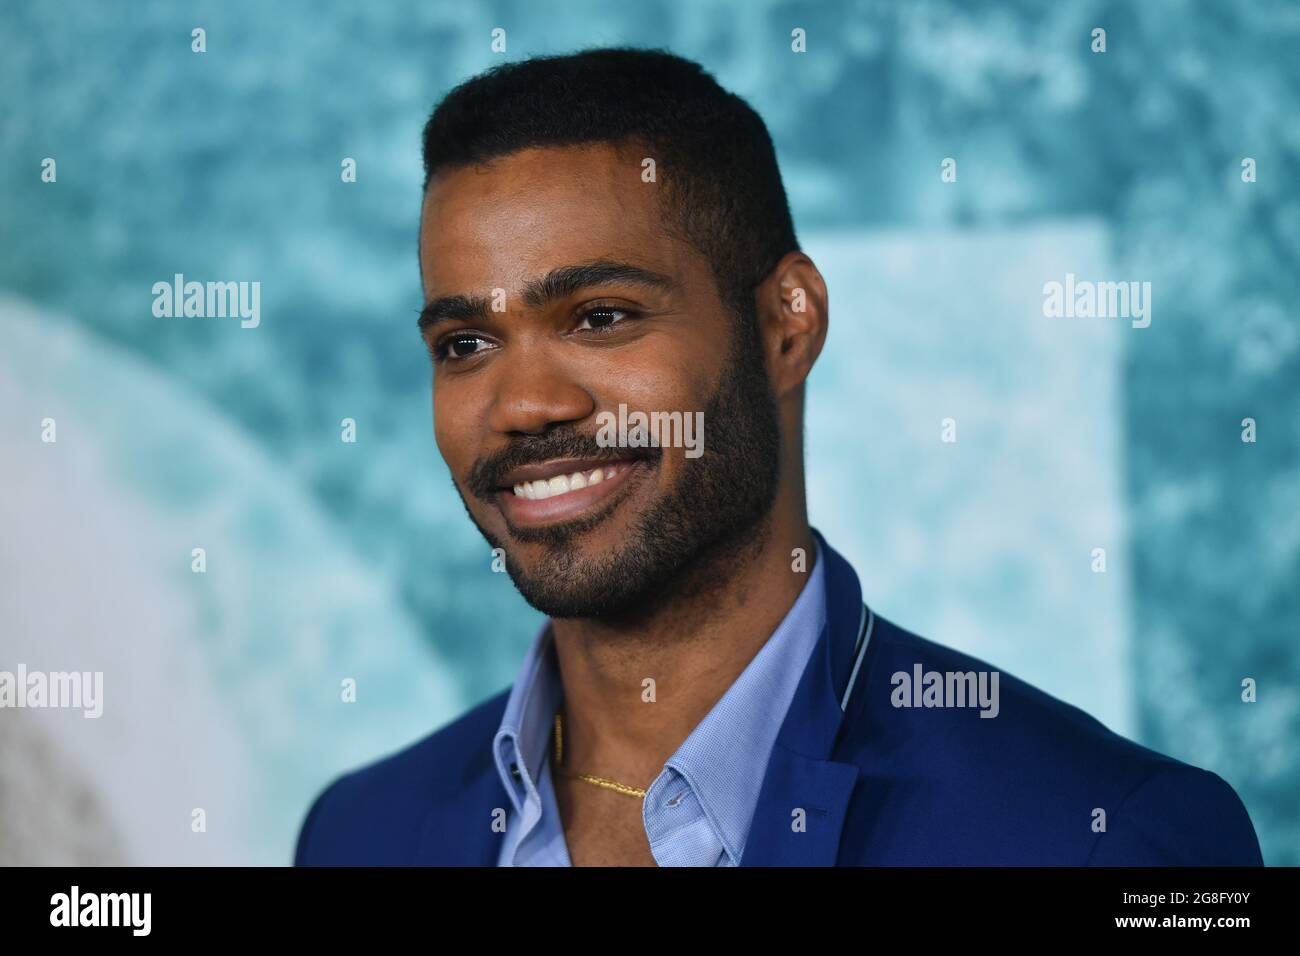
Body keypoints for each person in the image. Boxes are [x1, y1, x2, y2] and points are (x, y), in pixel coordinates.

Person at [294, 47, 1263, 866]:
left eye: (601, 316)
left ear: (785, 325)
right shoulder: (360, 834)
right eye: (464, 343)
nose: (523, 404)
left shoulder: (1102, 834)